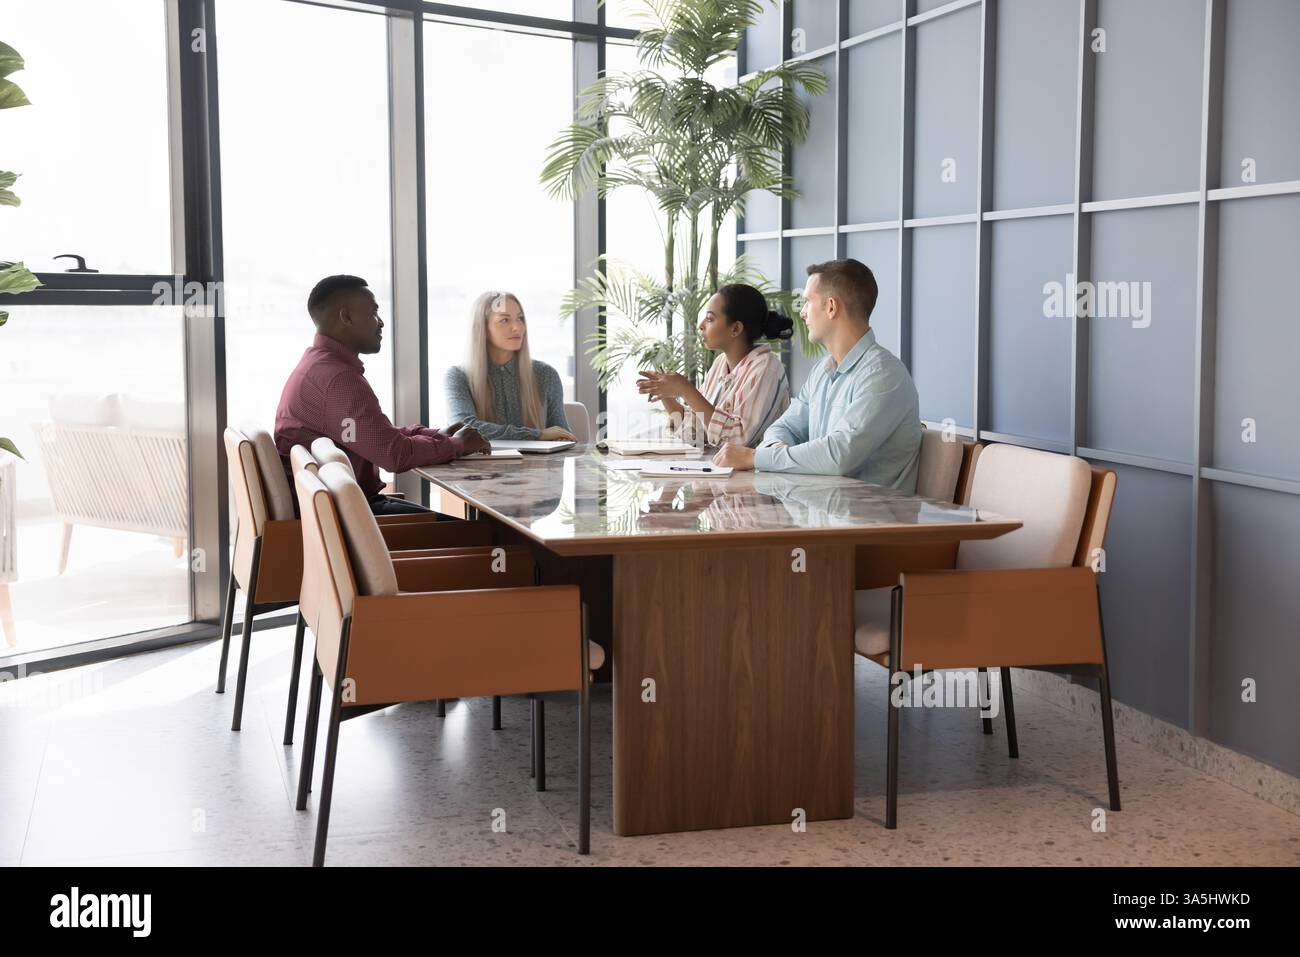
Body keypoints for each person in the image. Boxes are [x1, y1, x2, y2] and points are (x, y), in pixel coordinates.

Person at [274, 274, 489, 515]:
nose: (381, 322)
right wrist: (457, 444)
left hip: (337, 514)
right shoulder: (339, 379)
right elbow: (393, 455)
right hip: (349, 519)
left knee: (478, 529)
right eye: (374, 312)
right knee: (491, 536)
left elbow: (375, 435)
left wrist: (434, 435)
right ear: (346, 317)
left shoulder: (318, 366)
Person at [712, 259, 921, 492]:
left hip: (872, 521)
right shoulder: (822, 371)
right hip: (822, 511)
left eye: (807, 302)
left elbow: (839, 454)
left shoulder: (883, 375)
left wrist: (756, 458)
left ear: (831, 307)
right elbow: (782, 428)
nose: (802, 313)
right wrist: (774, 449)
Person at [637, 283, 792, 448]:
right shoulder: (720, 364)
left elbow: (737, 440)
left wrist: (686, 390)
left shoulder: (766, 368)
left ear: (735, 329)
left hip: (760, 473)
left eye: (710, 319)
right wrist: (665, 395)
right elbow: (696, 433)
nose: (701, 325)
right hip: (722, 470)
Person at [445, 291, 575, 441]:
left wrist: (555, 438)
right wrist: (537, 434)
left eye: (520, 318)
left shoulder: (546, 374)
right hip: (479, 465)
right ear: (483, 328)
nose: (517, 327)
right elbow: (464, 429)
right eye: (505, 320)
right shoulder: (458, 376)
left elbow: (562, 435)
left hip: (538, 465)